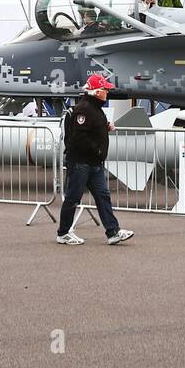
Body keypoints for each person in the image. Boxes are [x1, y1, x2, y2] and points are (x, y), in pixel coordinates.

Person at [55, 73, 133, 246]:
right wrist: (97, 149)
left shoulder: (94, 108)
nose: (107, 92)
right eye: (104, 89)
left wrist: (105, 128)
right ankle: (63, 233)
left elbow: (90, 129)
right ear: (97, 92)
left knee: (103, 196)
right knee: (73, 198)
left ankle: (113, 232)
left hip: (93, 163)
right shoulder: (84, 109)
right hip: (81, 163)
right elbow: (79, 137)